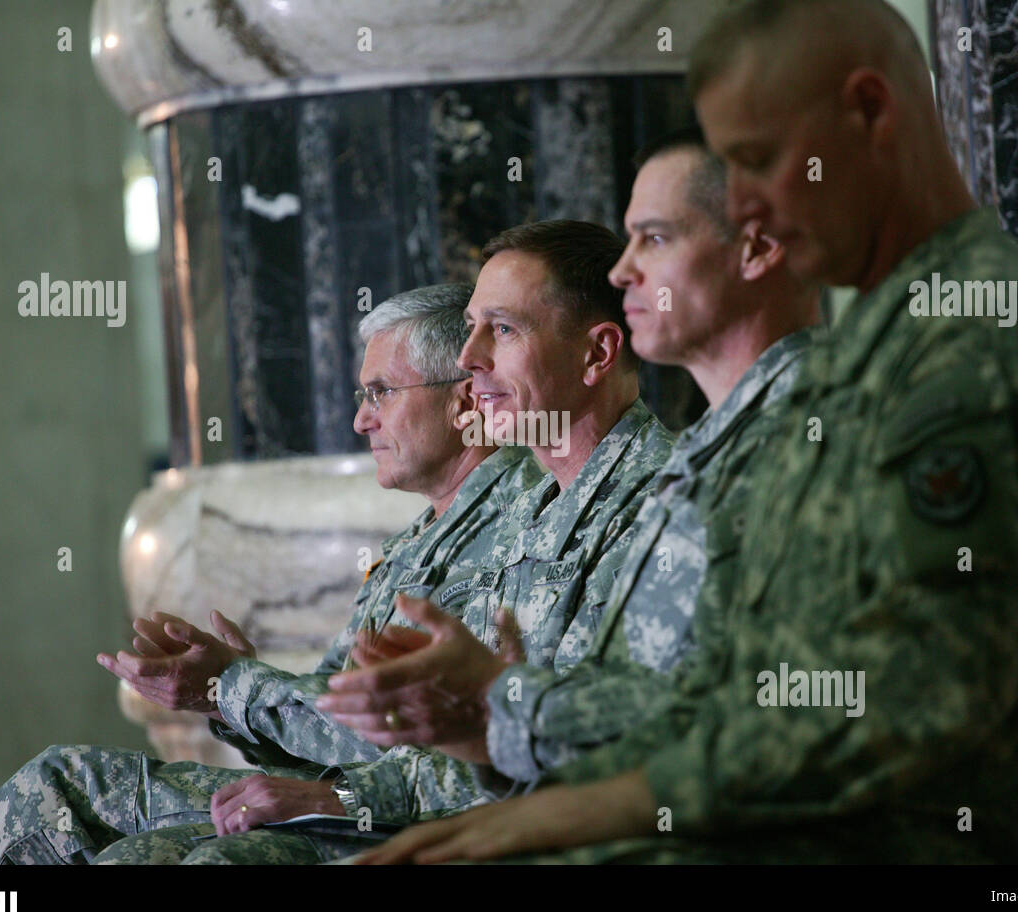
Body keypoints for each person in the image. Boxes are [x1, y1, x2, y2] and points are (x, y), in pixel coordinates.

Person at [360, 0, 1018, 865]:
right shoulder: (876, 355)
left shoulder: (974, 359)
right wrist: (520, 761)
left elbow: (889, 719)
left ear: (868, 112)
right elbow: (737, 695)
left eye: (757, 160)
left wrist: (573, 807)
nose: (743, 206)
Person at [93, 219, 677, 863]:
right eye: (475, 326)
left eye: (503, 330)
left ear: (597, 354)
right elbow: (442, 731)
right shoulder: (538, 507)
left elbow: (599, 750)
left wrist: (337, 791)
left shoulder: (663, 508)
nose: (469, 358)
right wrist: (233, 696)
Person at [0, 282, 541, 864]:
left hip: (394, 814)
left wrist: (237, 687)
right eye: (362, 397)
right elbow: (337, 704)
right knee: (62, 783)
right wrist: (224, 696)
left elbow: (425, 737)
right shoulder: (415, 542)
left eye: (381, 392)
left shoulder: (523, 533)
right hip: (337, 796)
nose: (362, 420)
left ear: (463, 401)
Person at [317, 129, 821, 802]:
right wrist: (481, 728)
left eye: (655, 239)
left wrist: (498, 705)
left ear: (755, 249)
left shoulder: (805, 437)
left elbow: (747, 728)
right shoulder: (703, 459)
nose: (623, 272)